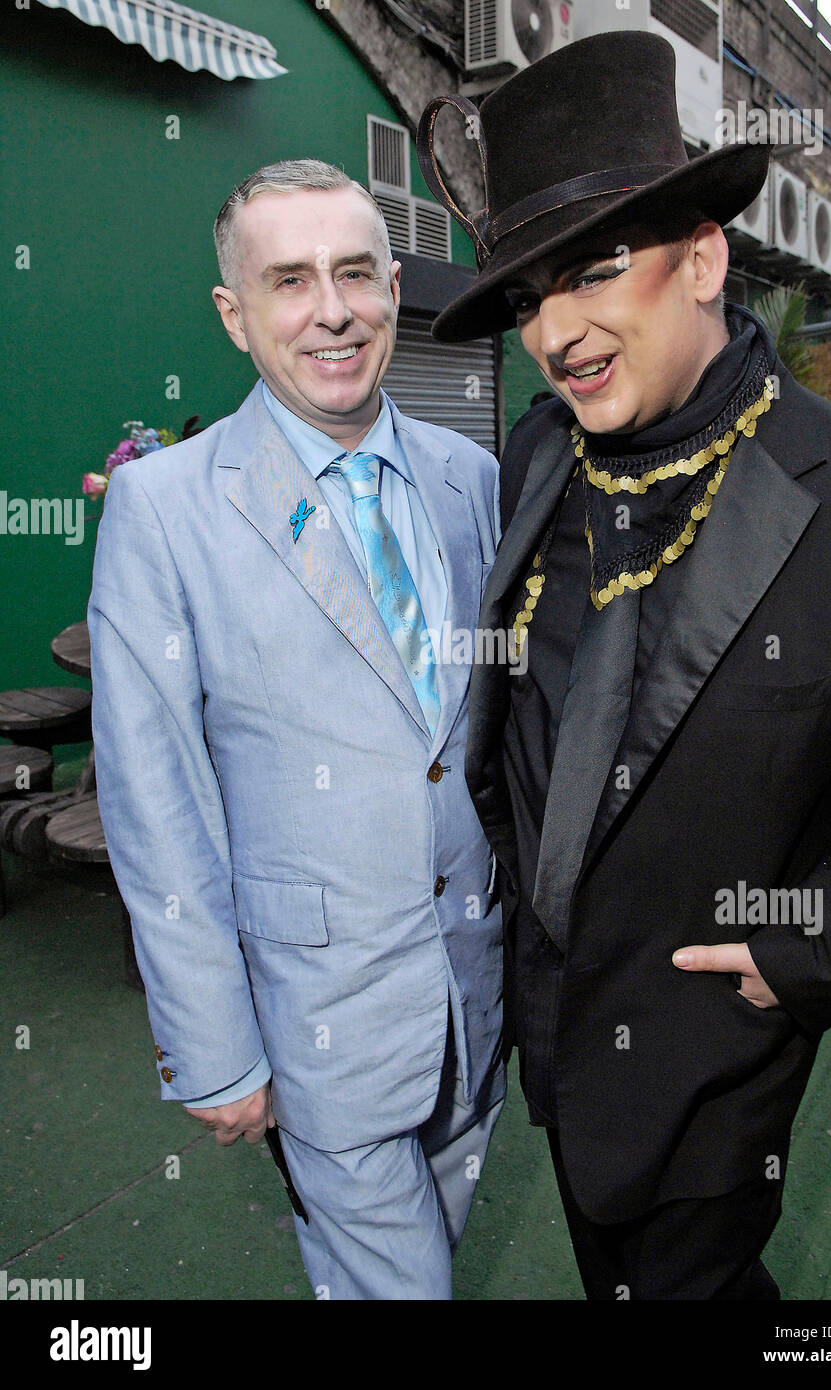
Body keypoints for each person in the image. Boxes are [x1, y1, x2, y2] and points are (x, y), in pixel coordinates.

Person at [417, 32, 831, 1299]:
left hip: (711, 1077)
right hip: (551, 1043)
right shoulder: (535, 460)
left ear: (704, 257)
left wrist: (795, 952)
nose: (557, 329)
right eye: (530, 293)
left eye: (594, 269)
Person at [88, 159, 504, 1301]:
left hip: (476, 1002)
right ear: (236, 314)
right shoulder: (162, 508)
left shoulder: (472, 477)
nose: (331, 309)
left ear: (391, 291)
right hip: (314, 1021)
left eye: (356, 273)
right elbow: (152, 796)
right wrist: (210, 1044)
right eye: (289, 280)